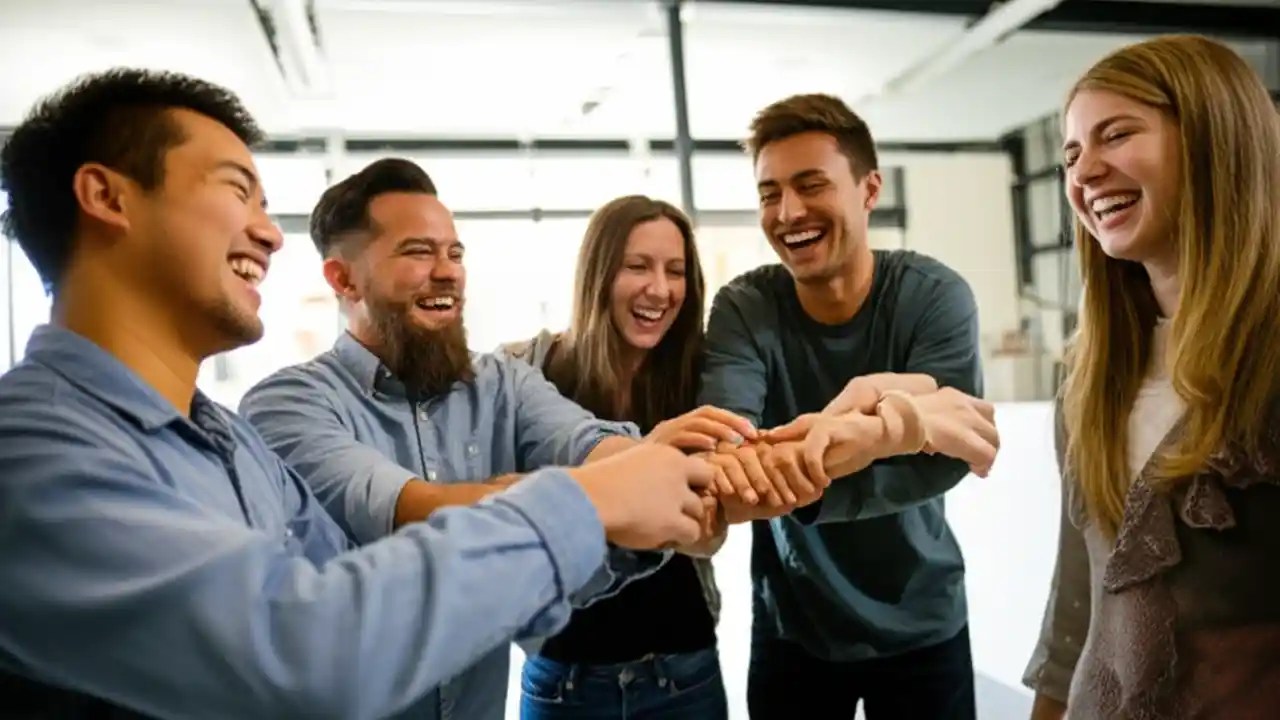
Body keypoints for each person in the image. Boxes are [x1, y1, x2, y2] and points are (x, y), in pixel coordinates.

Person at [0, 68, 716, 720]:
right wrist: (593, 499)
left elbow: (372, 583)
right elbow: (309, 646)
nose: (268, 234)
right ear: (107, 197)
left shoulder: (230, 443)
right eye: (235, 190)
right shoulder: (33, 454)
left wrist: (662, 496)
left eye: (455, 254)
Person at [236, 160, 737, 720]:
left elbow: (586, 442)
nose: (447, 271)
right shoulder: (286, 406)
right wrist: (624, 483)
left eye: (455, 253)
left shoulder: (503, 382)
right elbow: (410, 511)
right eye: (418, 252)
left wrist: (659, 467)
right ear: (343, 279)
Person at [698, 92, 996, 720]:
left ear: (868, 190)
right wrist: (895, 429)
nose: (788, 211)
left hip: (923, 622)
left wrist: (808, 460)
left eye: (811, 185)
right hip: (794, 626)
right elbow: (729, 446)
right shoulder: (744, 308)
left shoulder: (933, 296)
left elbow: (948, 459)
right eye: (769, 192)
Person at [1023, 34, 1280, 720]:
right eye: (1072, 154)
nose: (1084, 173)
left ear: (1213, 139)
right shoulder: (1089, 377)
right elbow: (1079, 599)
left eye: (1116, 135)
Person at [501, 195, 744, 718]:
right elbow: (506, 508)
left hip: (682, 671)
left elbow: (709, 532)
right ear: (598, 273)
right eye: (638, 266)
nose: (660, 288)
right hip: (562, 678)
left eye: (675, 271)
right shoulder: (523, 370)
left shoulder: (701, 376)